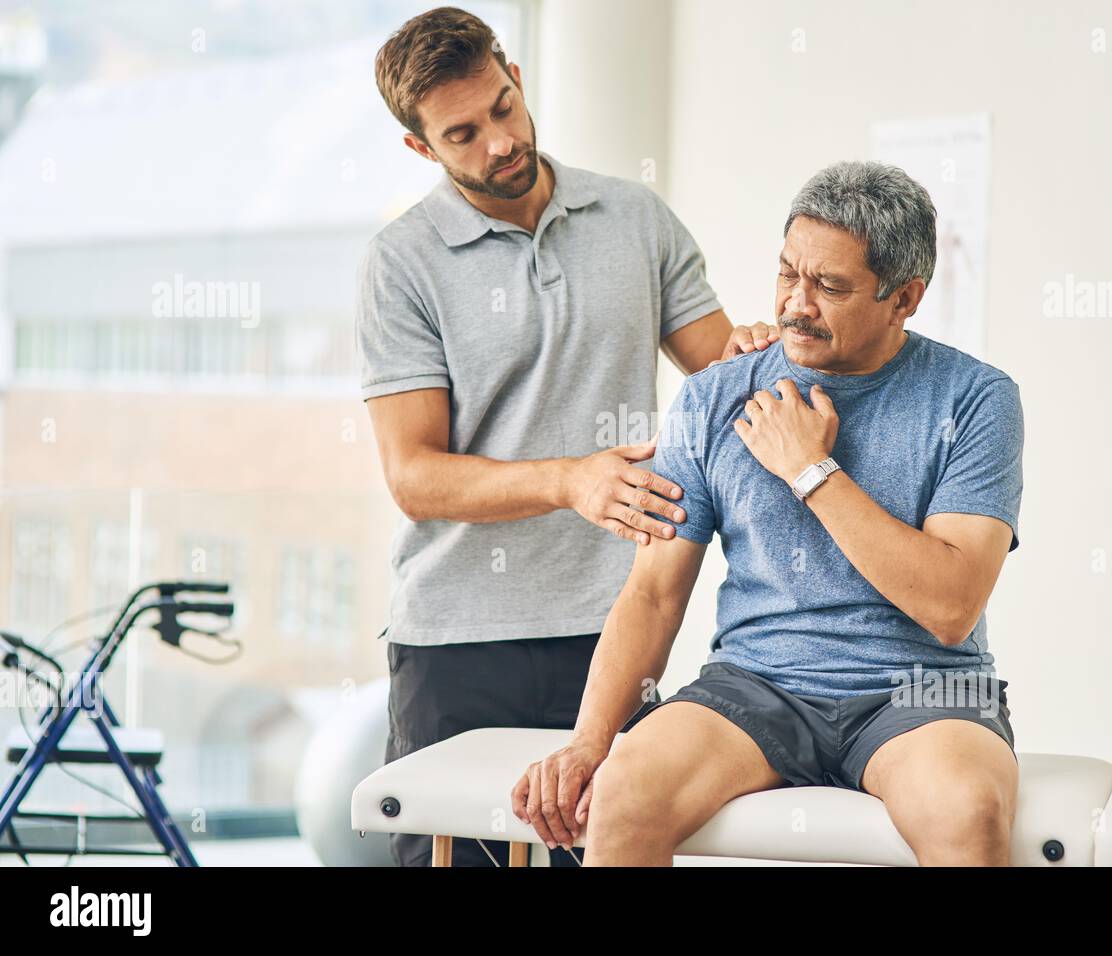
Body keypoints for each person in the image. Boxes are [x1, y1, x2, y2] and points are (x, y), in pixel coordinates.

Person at [356, 6, 776, 867]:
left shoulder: (635, 219)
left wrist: (765, 353)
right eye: (463, 134)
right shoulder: (401, 264)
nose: (499, 143)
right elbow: (415, 476)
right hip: (459, 644)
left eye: (504, 108)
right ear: (421, 148)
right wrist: (569, 481)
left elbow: (720, 377)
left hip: (613, 635)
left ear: (513, 74)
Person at [513, 160, 1026, 866]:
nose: (797, 304)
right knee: (623, 792)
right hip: (755, 687)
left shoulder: (976, 400)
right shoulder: (711, 398)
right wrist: (587, 743)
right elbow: (655, 595)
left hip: (922, 690)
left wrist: (813, 472)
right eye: (789, 273)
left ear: (904, 297)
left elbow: (950, 605)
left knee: (967, 812)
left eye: (831, 286)